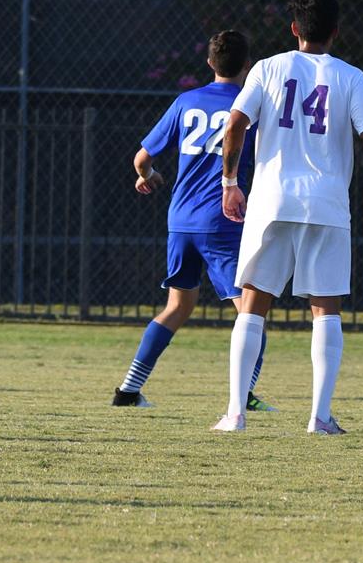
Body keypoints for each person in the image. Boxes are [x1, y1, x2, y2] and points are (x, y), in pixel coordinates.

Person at [214, 0, 363, 435]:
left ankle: (236, 413)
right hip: (327, 204)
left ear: (293, 29)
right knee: (325, 310)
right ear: (336, 31)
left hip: (272, 201)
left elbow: (235, 124)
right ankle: (320, 416)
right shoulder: (350, 76)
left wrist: (230, 183)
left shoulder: (267, 67)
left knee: (252, 307)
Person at [114, 30, 273, 411]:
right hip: (225, 219)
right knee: (251, 311)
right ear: (248, 66)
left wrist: (148, 177)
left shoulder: (187, 101)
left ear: (209, 63)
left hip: (181, 221)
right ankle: (244, 395)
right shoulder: (253, 103)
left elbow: (141, 158)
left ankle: (128, 391)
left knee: (178, 306)